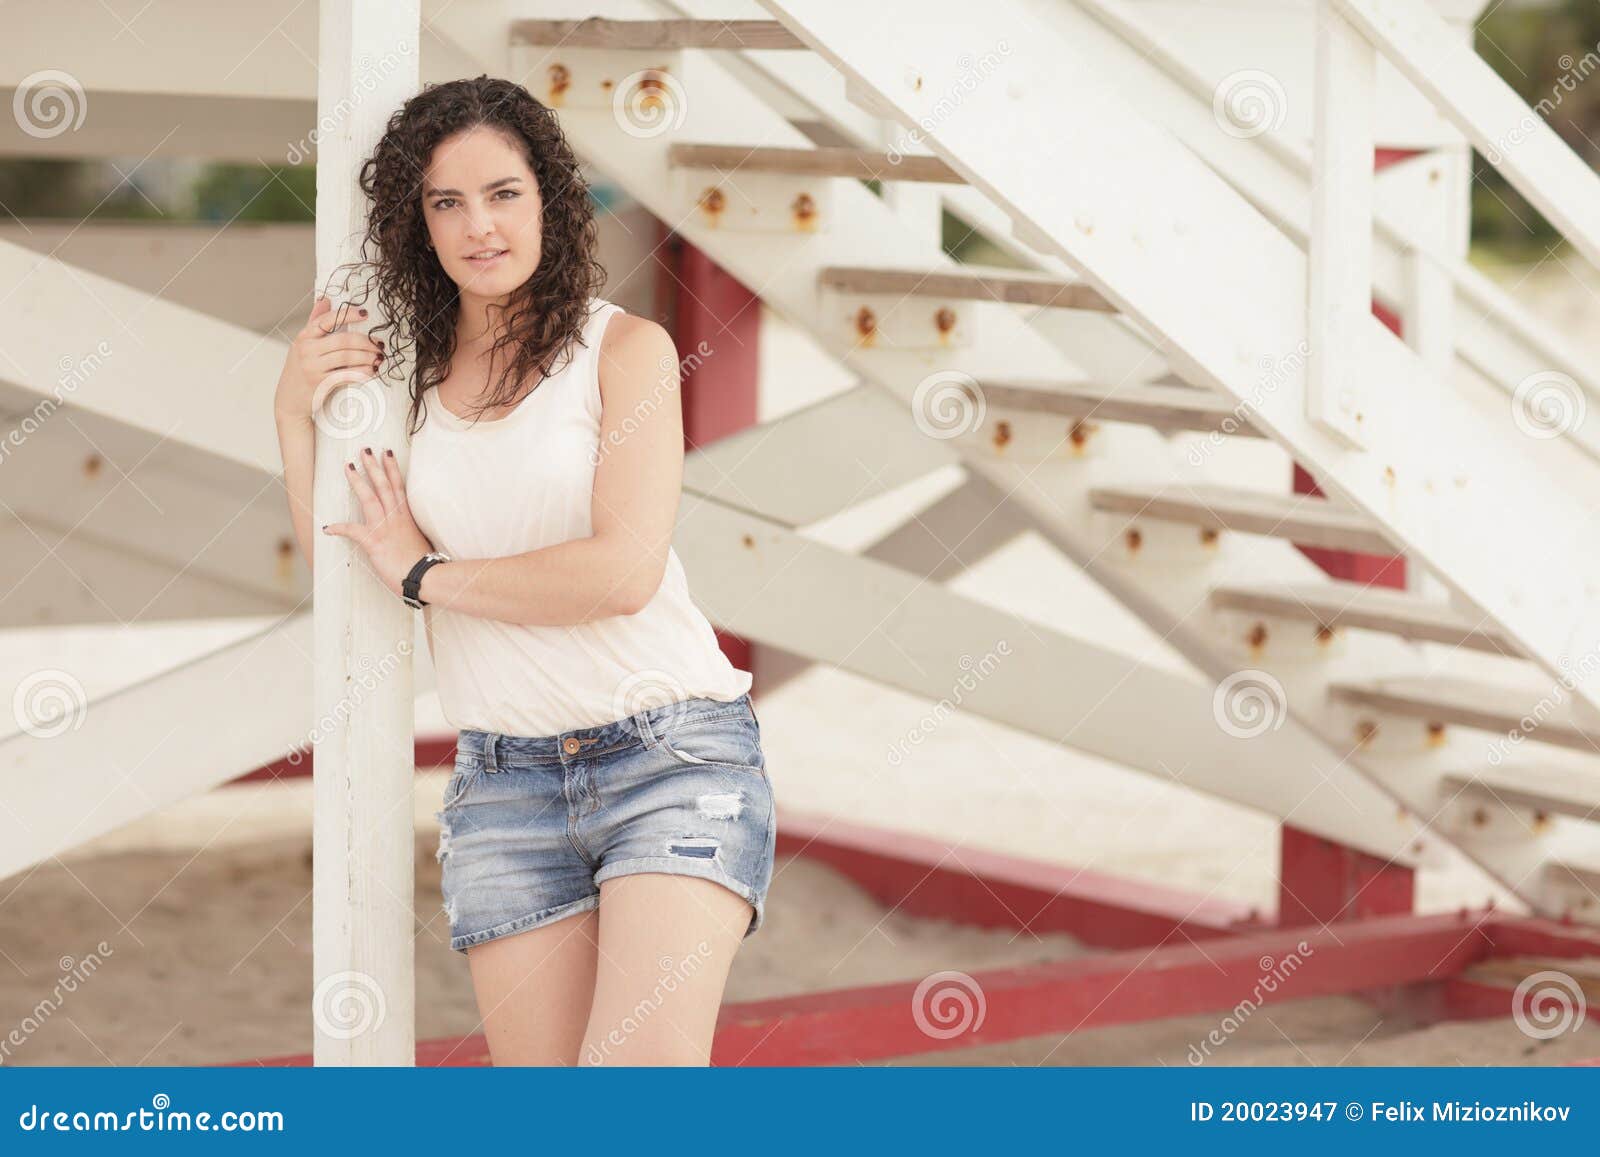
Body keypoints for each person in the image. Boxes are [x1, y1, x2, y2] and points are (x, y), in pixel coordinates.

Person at [271, 75, 774, 1066]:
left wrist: (427, 574)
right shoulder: (402, 382)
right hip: (505, 781)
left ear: (550, 196)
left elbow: (620, 572)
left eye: (503, 192)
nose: (479, 226)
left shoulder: (622, 352)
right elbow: (351, 551)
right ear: (417, 223)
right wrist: (293, 411)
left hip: (672, 758)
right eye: (445, 202)